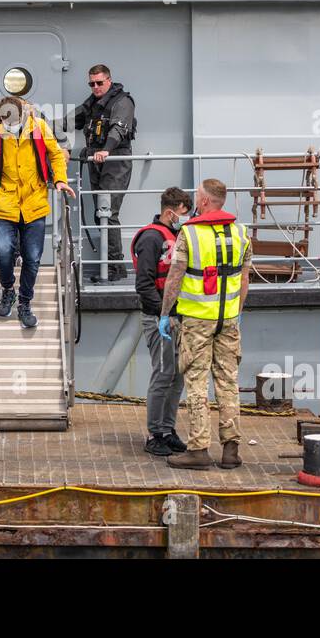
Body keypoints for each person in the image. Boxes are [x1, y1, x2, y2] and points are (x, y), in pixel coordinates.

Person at [157, 178, 252, 470]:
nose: (196, 201)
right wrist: (237, 312)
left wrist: (164, 312)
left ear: (206, 201)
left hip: (198, 321)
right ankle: (230, 449)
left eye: (199, 197)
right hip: (228, 319)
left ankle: (198, 449)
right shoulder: (241, 233)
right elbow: (244, 279)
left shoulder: (190, 233)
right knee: (228, 382)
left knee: (197, 383)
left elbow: (174, 277)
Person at [0, 96, 74, 330]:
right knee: (3, 249)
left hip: (34, 202)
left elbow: (56, 155)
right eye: (5, 123)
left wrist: (60, 180)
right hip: (4, 202)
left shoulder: (39, 127)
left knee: (33, 258)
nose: (9, 127)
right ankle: (8, 289)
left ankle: (25, 303)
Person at [132, 186, 194, 457]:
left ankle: (167, 430)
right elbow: (144, 283)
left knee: (177, 376)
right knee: (162, 373)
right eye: (183, 213)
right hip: (158, 317)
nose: (186, 217)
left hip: (179, 316)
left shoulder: (177, 236)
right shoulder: (151, 238)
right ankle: (154, 433)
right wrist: (163, 313)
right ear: (171, 212)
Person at [72, 64, 136, 281]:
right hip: (96, 161)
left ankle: (116, 267)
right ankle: (109, 265)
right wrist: (38, 122)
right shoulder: (93, 104)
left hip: (115, 160)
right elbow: (69, 121)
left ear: (109, 80)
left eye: (100, 83)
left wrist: (106, 150)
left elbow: (118, 129)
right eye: (92, 84)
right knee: (100, 215)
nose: (96, 87)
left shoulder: (122, 102)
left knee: (108, 214)